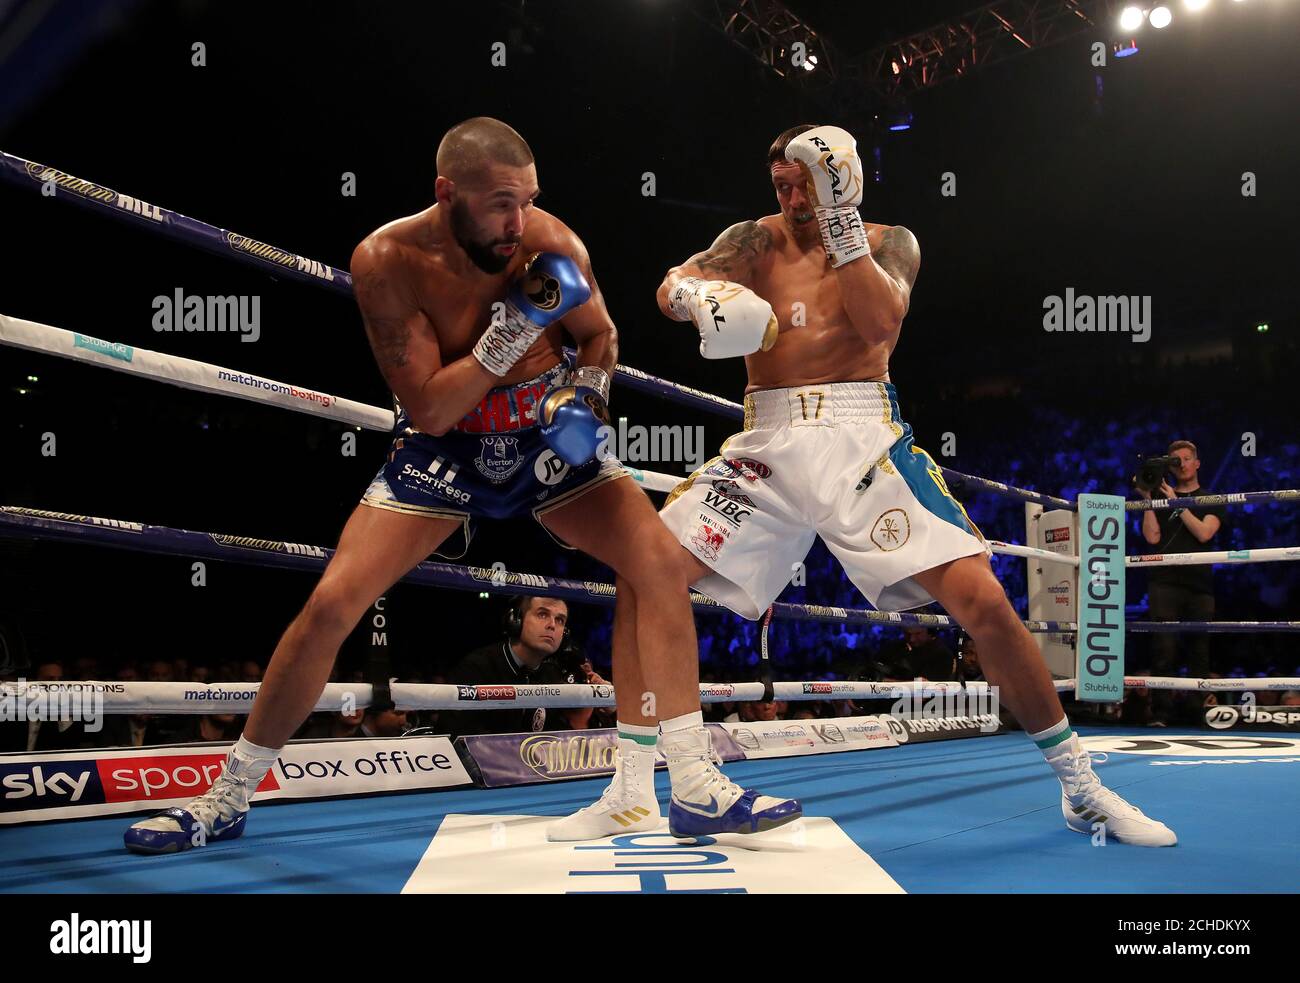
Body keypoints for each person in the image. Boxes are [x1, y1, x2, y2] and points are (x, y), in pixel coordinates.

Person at [125, 117, 797, 855]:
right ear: (448, 193)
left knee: (659, 567)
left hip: (545, 434)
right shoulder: (386, 261)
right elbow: (432, 406)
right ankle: (226, 796)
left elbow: (600, 336)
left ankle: (695, 783)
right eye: (501, 202)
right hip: (446, 450)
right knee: (331, 603)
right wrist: (510, 331)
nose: (518, 223)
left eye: (529, 199)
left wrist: (590, 398)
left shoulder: (552, 243)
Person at [561, 124, 1176, 847]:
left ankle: (1082, 787)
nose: (793, 200)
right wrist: (698, 295)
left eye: (806, 184)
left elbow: (880, 318)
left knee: (982, 598)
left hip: (863, 436)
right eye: (783, 186)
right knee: (644, 565)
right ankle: (634, 786)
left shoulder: (892, 243)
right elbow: (671, 283)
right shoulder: (754, 241)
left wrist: (840, 219)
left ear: (843, 178)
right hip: (766, 439)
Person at [1136, 439, 1225, 723]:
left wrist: (1178, 503)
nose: (1183, 464)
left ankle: (1198, 713)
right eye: (1176, 461)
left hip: (1199, 584)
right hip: (1164, 582)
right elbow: (1152, 538)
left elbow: (1204, 533)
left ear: (1197, 463)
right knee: (1164, 648)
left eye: (1187, 459)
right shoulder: (1162, 499)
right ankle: (1161, 713)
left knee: (1199, 650)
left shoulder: (1211, 499)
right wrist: (1150, 500)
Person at [442, 595, 593, 737]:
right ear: (516, 620)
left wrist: (593, 699)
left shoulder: (552, 676)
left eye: (560, 619)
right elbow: (455, 733)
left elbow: (557, 744)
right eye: (542, 614)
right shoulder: (477, 668)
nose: (552, 625)